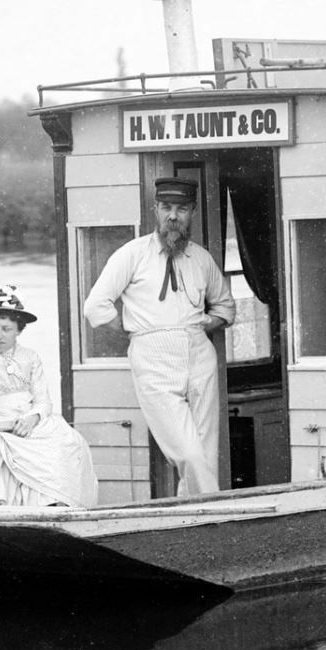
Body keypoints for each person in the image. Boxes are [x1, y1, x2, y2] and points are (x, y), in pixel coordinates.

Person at [83, 177, 236, 495]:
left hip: (198, 354)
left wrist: (198, 325)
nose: (173, 216)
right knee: (189, 454)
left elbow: (226, 309)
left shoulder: (201, 259)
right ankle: (211, 514)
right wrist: (131, 331)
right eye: (166, 207)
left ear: (192, 212)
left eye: (181, 209)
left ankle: (194, 520)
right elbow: (96, 307)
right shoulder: (132, 254)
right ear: (156, 209)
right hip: (152, 357)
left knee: (206, 452)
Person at [0, 284, 98, 506]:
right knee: (20, 448)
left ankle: (60, 505)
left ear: (18, 329)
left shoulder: (30, 357)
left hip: (30, 423)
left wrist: (32, 418)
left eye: (6, 329)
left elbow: (43, 401)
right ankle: (32, 506)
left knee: (72, 443)